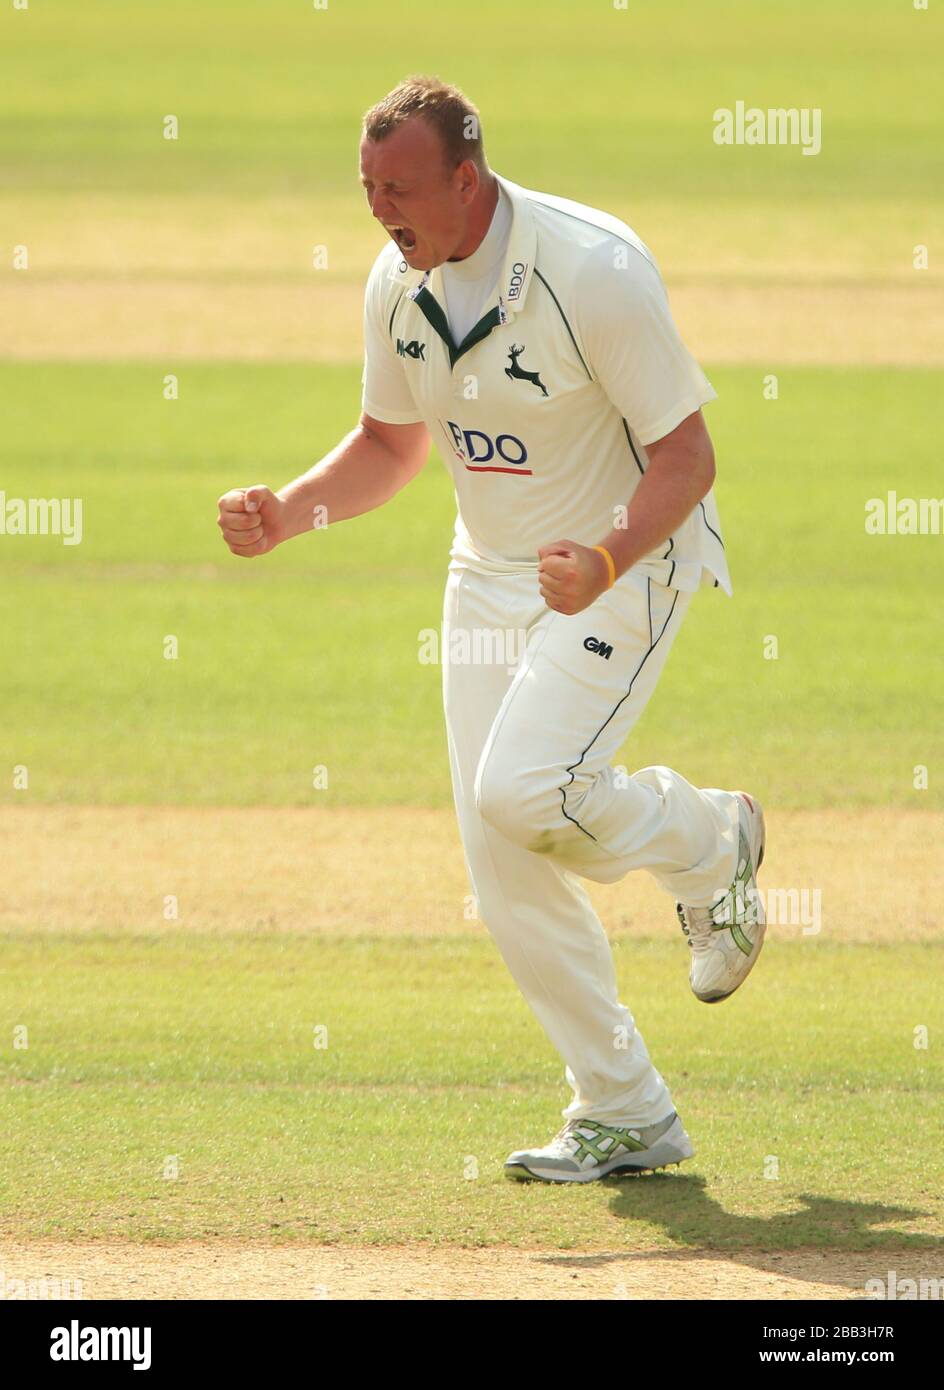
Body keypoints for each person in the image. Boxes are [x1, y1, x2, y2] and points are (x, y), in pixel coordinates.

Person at [217, 75, 767, 1185]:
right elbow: (388, 444)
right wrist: (290, 512)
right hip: (489, 576)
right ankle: (623, 1109)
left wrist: (604, 557)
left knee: (522, 791)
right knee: (499, 849)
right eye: (366, 189)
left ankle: (712, 842)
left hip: (625, 558)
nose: (378, 211)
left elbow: (687, 459)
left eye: (399, 189)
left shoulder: (591, 272)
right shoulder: (396, 280)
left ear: (466, 181)